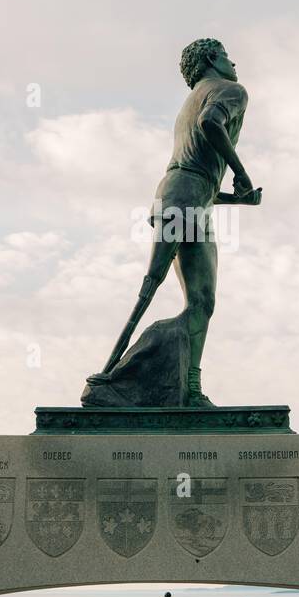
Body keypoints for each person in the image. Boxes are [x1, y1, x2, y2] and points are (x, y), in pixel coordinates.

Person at [89, 38, 261, 407]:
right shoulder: (230, 90)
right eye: (229, 56)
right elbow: (211, 123)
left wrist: (236, 197)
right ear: (213, 59)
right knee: (185, 295)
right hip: (187, 198)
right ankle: (117, 379)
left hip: (181, 193)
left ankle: (182, 387)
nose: (235, 64)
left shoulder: (192, 99)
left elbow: (198, 174)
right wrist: (241, 173)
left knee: (185, 294)